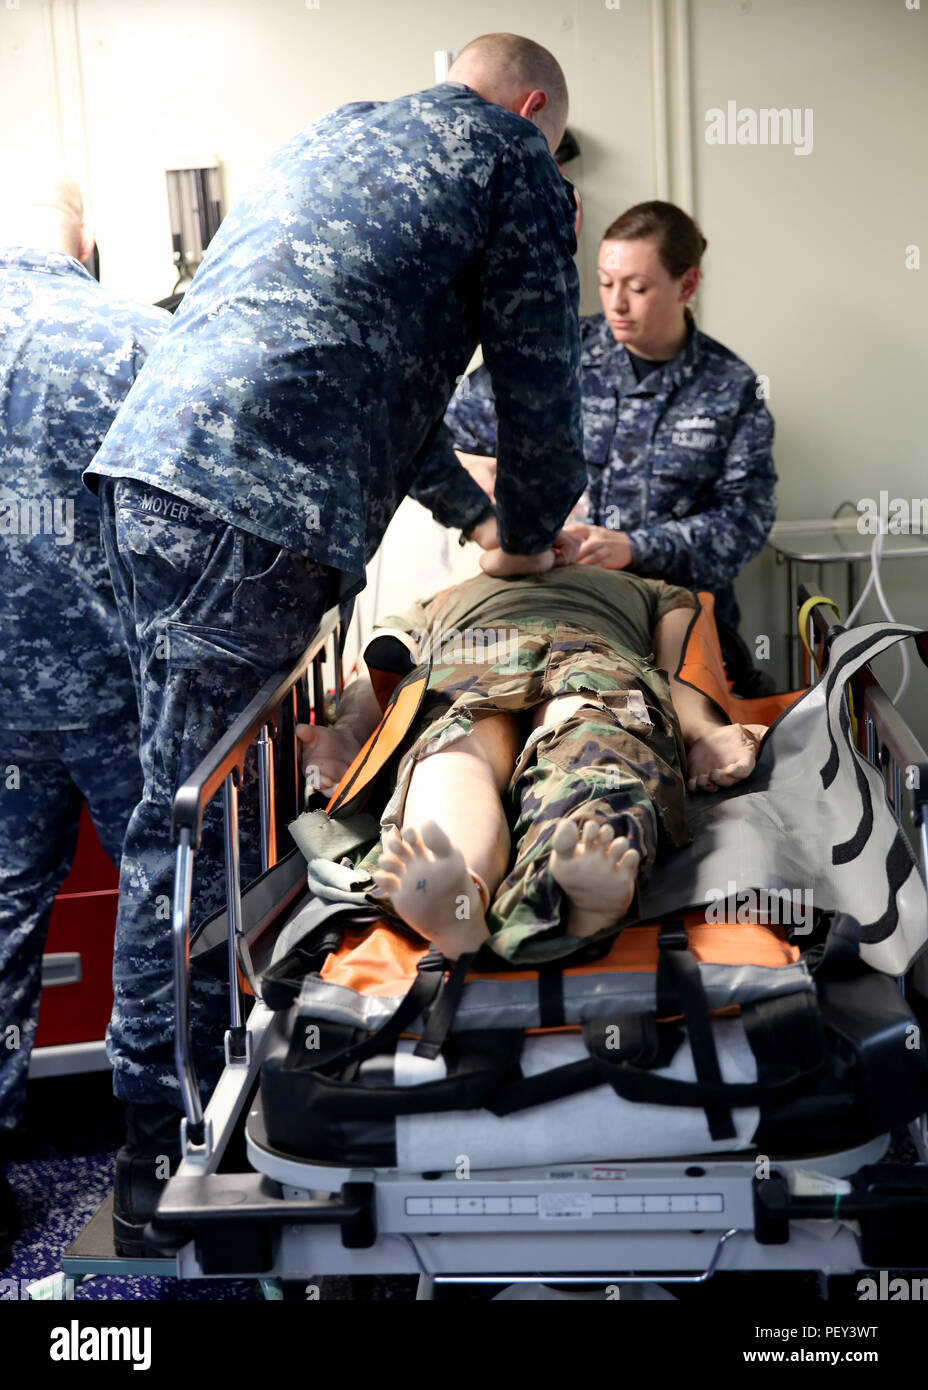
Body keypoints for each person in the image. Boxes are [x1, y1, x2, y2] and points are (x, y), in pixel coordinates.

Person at [82, 33, 587, 1251]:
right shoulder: (512, 160)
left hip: (144, 482)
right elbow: (538, 382)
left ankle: (189, 1098)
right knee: (195, 826)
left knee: (194, 812)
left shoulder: (338, 133)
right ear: (530, 109)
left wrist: (471, 516)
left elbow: (372, 380)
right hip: (248, 517)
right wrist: (527, 537)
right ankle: (168, 1140)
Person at [299, 564, 767, 965]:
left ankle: (577, 890)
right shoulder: (434, 602)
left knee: (595, 732)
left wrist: (703, 731)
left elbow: (682, 668)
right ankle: (463, 893)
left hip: (594, 654)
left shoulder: (652, 588)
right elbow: (372, 674)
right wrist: (349, 733)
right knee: (451, 747)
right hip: (468, 664)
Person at [0, 174, 170, 1264]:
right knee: (160, 895)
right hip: (120, 690)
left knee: (3, 912)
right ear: (88, 239)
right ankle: (157, 1159)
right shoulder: (138, 340)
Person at [445, 200, 777, 644]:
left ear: (687, 284)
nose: (616, 303)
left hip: (676, 619)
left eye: (637, 288)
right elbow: (435, 441)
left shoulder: (730, 386)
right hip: (550, 604)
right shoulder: (558, 355)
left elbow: (746, 520)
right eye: (605, 283)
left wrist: (637, 548)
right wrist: (482, 487)